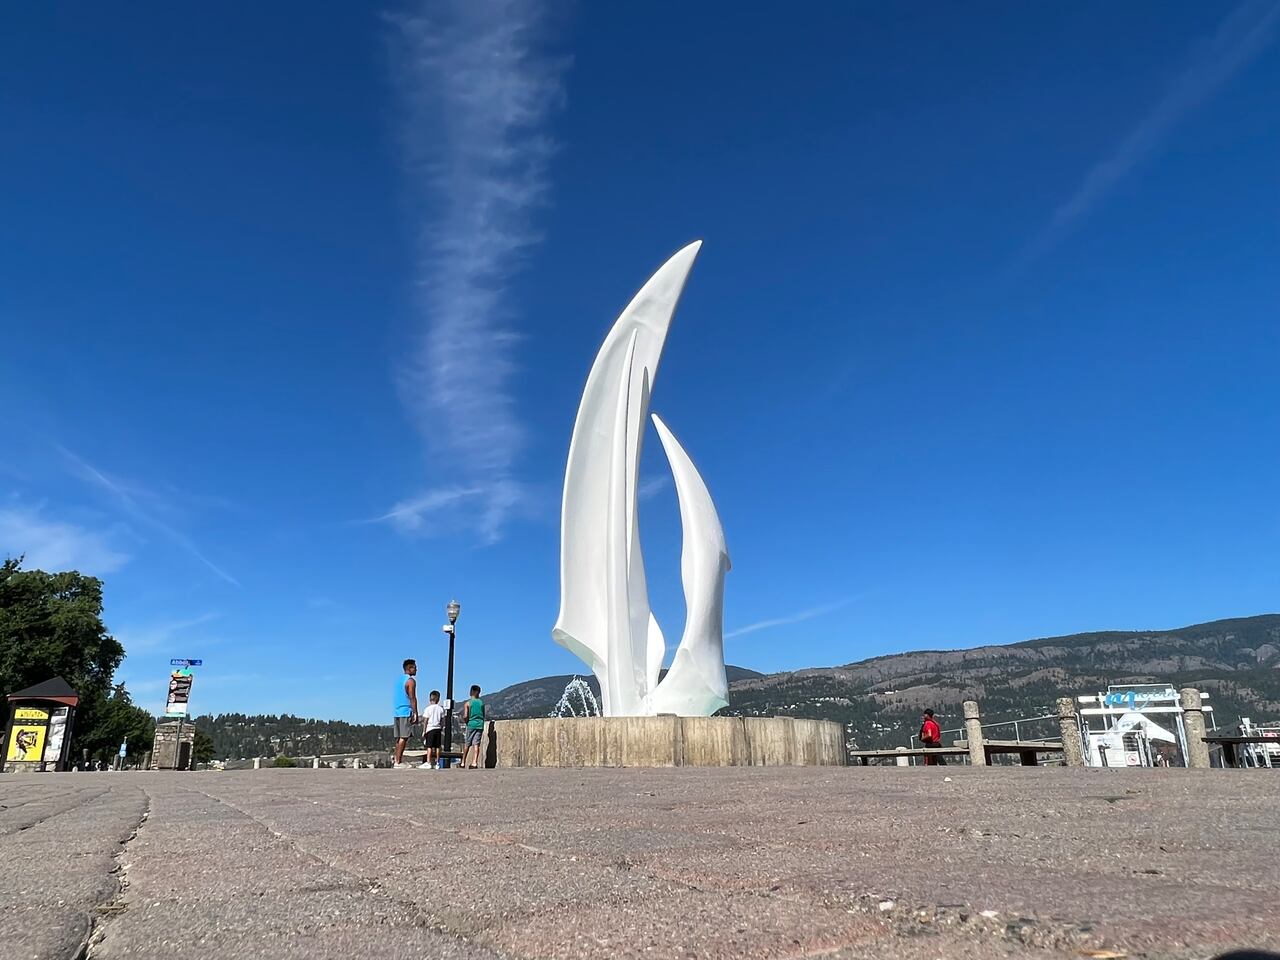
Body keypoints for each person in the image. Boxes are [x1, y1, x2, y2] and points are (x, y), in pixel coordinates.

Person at [393, 659, 419, 769]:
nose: (416, 669)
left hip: (397, 711)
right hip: (405, 711)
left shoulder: (399, 681)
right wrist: (415, 713)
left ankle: (397, 759)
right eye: (414, 667)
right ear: (409, 668)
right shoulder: (410, 681)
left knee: (399, 738)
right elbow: (412, 697)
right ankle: (398, 762)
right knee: (404, 737)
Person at [459, 684, 485, 770]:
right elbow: (483, 715)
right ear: (479, 693)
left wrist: (466, 722)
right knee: (476, 744)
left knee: (467, 743)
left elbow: (465, 716)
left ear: (471, 692)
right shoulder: (481, 703)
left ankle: (463, 762)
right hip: (480, 725)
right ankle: (474, 762)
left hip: (471, 724)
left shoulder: (468, 703)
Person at [421, 690, 445, 770]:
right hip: (438, 729)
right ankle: (437, 763)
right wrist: (441, 727)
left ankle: (428, 762)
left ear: (430, 699)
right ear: (438, 699)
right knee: (437, 746)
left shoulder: (428, 709)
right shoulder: (441, 709)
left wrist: (424, 731)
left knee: (429, 747)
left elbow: (425, 721)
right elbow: (442, 721)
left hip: (430, 728)